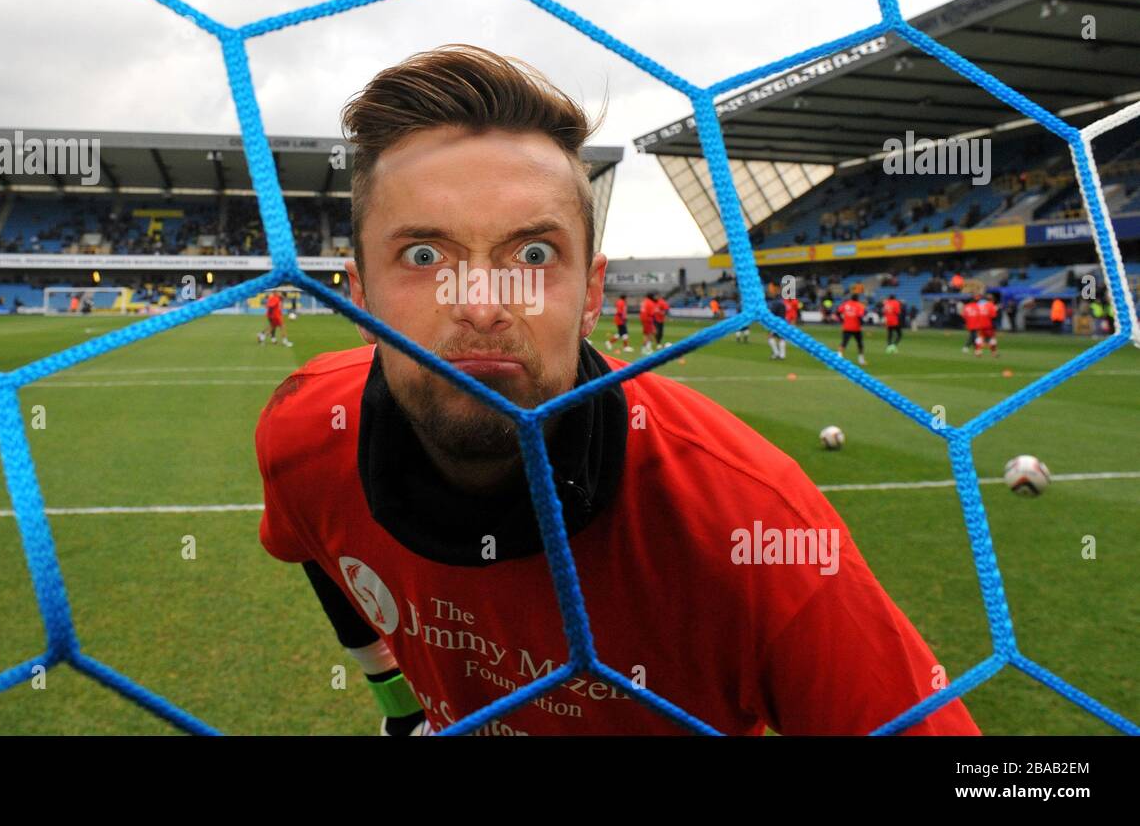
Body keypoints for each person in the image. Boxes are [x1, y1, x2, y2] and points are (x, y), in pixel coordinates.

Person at [255, 45, 977, 735]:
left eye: (532, 254)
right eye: (423, 254)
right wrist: (398, 700)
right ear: (358, 298)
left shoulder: (752, 527)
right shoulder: (304, 431)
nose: (480, 302)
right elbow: (310, 548)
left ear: (593, 293)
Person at [836, 292, 866, 365]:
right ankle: (861, 360)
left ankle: (839, 357)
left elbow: (837, 312)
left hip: (847, 327)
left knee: (844, 343)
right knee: (860, 344)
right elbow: (860, 316)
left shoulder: (845, 304)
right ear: (858, 299)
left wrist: (841, 320)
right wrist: (862, 323)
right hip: (856, 328)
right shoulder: (859, 305)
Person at [974, 293, 999, 358]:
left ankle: (978, 352)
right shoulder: (991, 305)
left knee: (980, 337)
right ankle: (994, 353)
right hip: (988, 325)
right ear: (992, 300)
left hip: (980, 324)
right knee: (992, 338)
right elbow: (993, 316)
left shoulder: (981, 305)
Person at [767, 292, 787, 360]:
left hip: (776, 323)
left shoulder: (775, 304)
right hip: (783, 322)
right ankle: (782, 355)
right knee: (782, 338)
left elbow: (772, 314)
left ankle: (776, 353)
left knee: (770, 337)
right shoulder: (783, 304)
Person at [639, 291, 657, 355]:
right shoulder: (650, 303)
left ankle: (648, 348)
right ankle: (645, 349)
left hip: (644, 320)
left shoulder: (644, 302)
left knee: (649, 334)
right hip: (648, 320)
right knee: (648, 335)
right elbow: (652, 313)